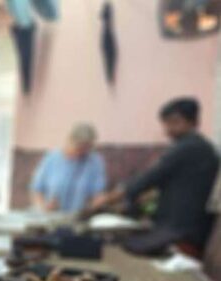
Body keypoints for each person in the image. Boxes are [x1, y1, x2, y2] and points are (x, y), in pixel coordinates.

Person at [89, 97, 220, 256]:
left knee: (121, 247)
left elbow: (148, 178)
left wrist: (108, 198)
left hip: (181, 233)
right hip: (182, 229)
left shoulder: (189, 147)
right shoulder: (200, 148)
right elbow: (169, 183)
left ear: (193, 122)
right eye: (166, 123)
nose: (167, 129)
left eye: (174, 122)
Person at [30, 123, 107, 213]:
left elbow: (98, 193)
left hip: (79, 218)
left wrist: (96, 203)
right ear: (69, 141)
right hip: (51, 218)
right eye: (78, 149)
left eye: (86, 150)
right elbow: (37, 189)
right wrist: (43, 207)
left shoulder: (94, 161)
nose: (80, 153)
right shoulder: (52, 158)